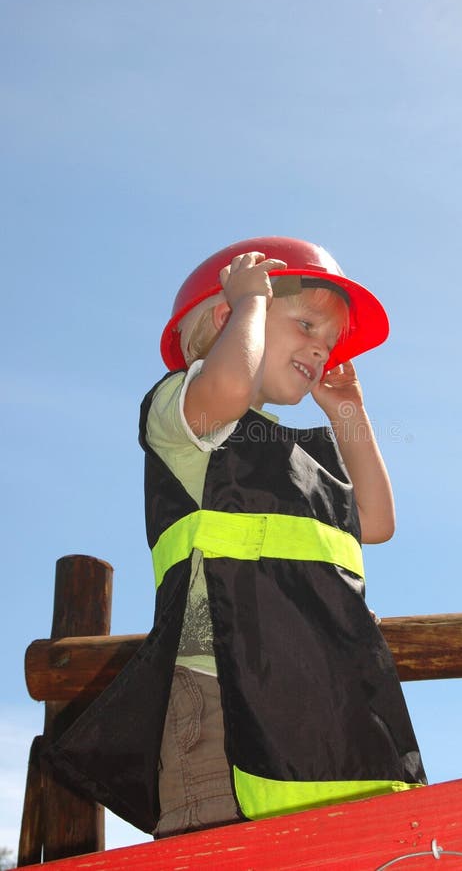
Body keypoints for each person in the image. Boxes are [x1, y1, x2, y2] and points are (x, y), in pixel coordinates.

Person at [45, 236, 426, 837]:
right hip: (218, 693)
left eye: (327, 344)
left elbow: (376, 522)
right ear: (227, 316)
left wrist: (347, 409)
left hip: (316, 701)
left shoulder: (298, 457)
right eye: (304, 325)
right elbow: (224, 391)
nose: (320, 352)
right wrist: (249, 303)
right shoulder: (185, 413)